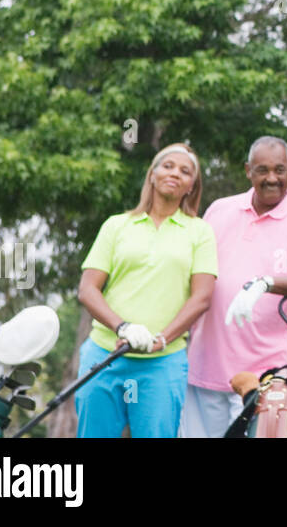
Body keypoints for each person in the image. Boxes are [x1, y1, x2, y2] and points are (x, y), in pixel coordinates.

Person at [179, 135, 287, 438]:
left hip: (265, 375)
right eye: (262, 170)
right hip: (205, 363)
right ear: (248, 170)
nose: (271, 178)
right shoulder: (220, 210)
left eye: (279, 170)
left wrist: (266, 283)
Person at [75, 143, 217, 438]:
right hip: (104, 356)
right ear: (152, 174)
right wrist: (122, 327)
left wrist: (162, 339)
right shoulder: (117, 225)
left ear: (191, 186)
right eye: (168, 166)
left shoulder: (199, 232)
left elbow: (202, 297)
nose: (175, 173)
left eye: (185, 171)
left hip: (162, 365)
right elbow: (88, 289)